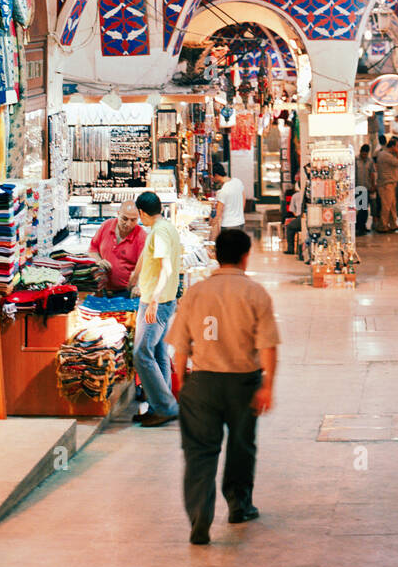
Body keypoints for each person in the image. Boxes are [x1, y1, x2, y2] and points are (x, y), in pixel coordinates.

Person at [170, 228, 280, 545]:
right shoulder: (256, 293)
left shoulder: (195, 293)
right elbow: (269, 347)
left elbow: (180, 346)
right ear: (246, 256)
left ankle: (200, 517)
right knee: (242, 446)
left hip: (202, 382)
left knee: (200, 453)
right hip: (243, 383)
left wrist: (182, 381)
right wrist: (268, 386)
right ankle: (238, 506)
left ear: (215, 255)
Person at [130, 191, 183, 426]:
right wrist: (136, 275)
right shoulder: (166, 227)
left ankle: (165, 407)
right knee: (158, 353)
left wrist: (153, 300)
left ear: (142, 212)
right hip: (164, 299)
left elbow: (166, 268)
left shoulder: (160, 232)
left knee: (141, 353)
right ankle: (159, 404)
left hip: (157, 302)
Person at [89, 199, 146, 294]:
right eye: (125, 218)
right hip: (101, 289)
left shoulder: (142, 236)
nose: (128, 224)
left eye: (133, 220)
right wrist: (98, 261)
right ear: (118, 213)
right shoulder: (106, 226)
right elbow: (93, 249)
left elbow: (145, 267)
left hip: (127, 292)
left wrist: (139, 286)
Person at [210, 160, 244, 239]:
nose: (212, 179)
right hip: (240, 222)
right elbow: (243, 199)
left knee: (228, 250)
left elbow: (218, 213)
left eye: (212, 177)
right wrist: (239, 213)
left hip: (228, 225)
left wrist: (210, 226)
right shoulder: (238, 182)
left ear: (216, 175)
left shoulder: (223, 191)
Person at [375, 136, 398, 233]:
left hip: (389, 183)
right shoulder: (386, 155)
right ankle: (383, 225)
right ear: (393, 146)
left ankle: (393, 224)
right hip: (386, 184)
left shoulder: (386, 154)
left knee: (392, 205)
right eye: (397, 147)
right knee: (386, 205)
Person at [356, 143, 376, 235]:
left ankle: (362, 226)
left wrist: (373, 185)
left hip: (366, 188)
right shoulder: (355, 160)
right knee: (360, 208)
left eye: (366, 154)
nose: (364, 155)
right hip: (358, 188)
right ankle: (359, 227)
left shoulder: (370, 161)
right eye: (363, 153)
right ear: (360, 152)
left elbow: (372, 174)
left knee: (364, 209)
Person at [284, 177, 305, 255]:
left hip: (300, 217)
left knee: (290, 227)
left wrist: (297, 216)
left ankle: (291, 249)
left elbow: (292, 210)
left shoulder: (296, 195)